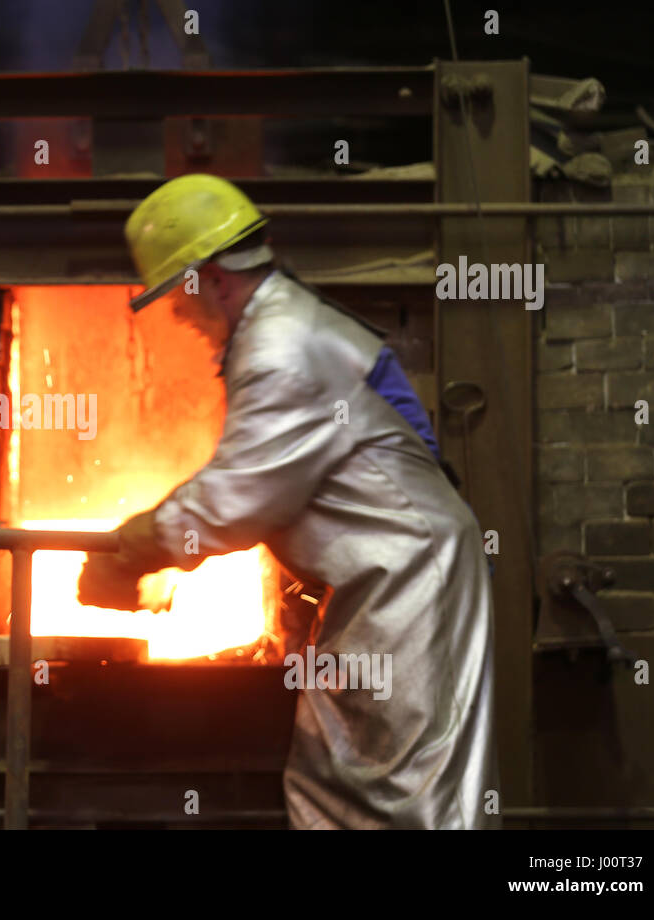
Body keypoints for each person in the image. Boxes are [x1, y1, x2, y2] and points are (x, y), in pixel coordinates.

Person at [78, 174, 497, 829]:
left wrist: (133, 550)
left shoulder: (280, 347)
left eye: (177, 296)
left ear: (210, 277)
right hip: (389, 579)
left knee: (402, 793)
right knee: (343, 779)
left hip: (409, 583)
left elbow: (237, 498)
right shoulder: (280, 326)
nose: (179, 316)